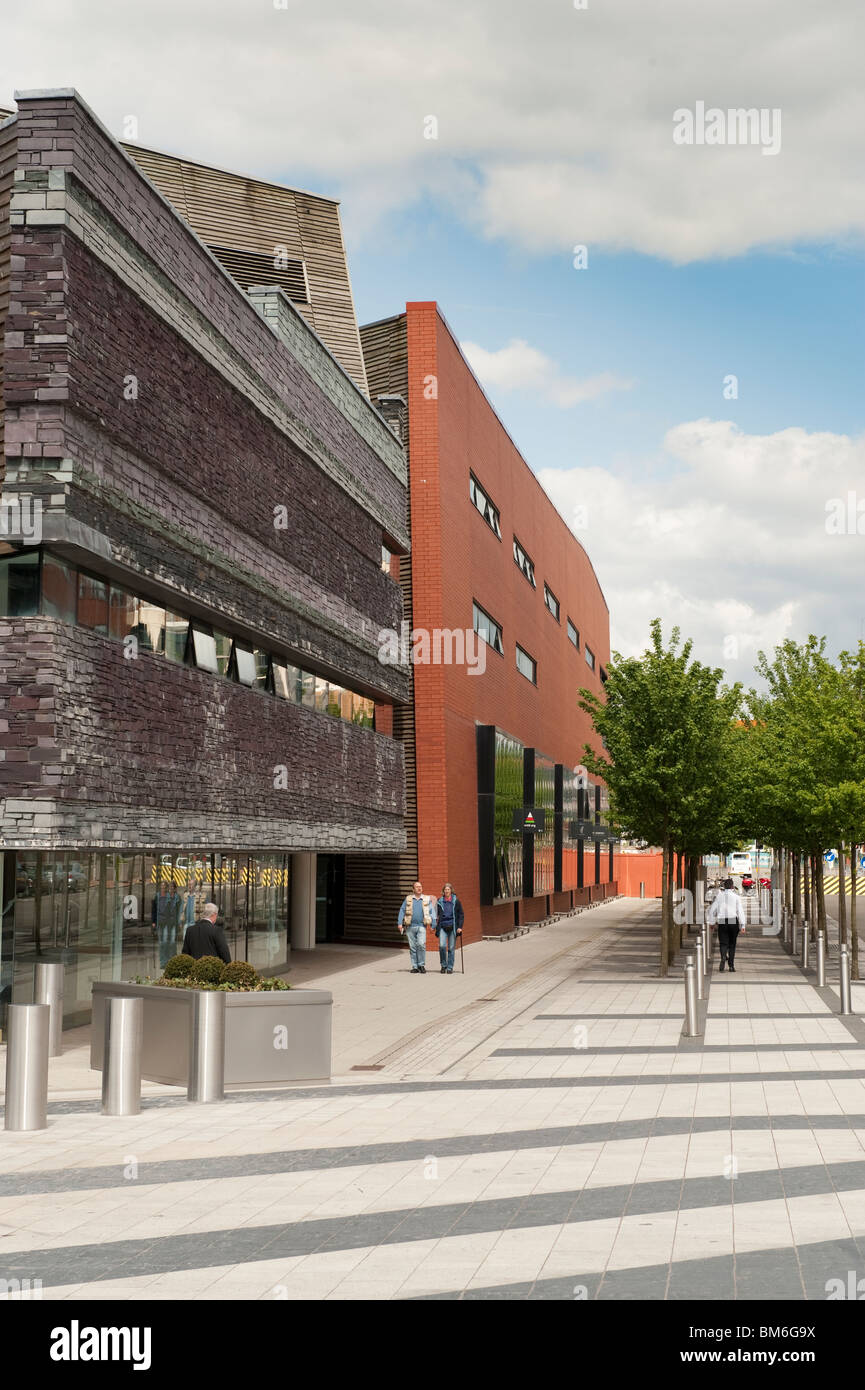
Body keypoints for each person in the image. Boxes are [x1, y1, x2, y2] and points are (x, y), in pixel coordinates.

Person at [707, 876, 746, 972]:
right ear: (732, 887)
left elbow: (712, 910)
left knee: (723, 943)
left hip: (722, 921)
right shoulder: (736, 897)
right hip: (733, 920)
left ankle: (723, 957)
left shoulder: (719, 896)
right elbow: (740, 911)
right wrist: (743, 925)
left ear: (724, 886)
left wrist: (711, 922)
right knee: (732, 944)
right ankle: (731, 966)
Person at [397, 881, 434, 974]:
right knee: (413, 947)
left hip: (422, 926)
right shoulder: (408, 899)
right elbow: (402, 910)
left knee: (421, 945)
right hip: (410, 926)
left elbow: (432, 911)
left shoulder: (426, 899)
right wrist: (399, 923)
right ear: (413, 889)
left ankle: (421, 965)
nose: (419, 888)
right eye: (417, 887)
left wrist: (433, 925)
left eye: (420, 886)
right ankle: (415, 966)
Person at [152, 882, 183, 969]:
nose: (171, 889)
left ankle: (172, 961)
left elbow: (178, 910)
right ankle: (164, 962)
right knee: (164, 942)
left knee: (172, 942)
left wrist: (179, 922)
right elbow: (157, 909)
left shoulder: (177, 897)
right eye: (170, 887)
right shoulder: (163, 897)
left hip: (172, 923)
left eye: (172, 887)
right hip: (165, 922)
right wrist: (154, 921)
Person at [435, 883, 464, 973]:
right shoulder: (440, 901)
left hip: (453, 927)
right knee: (442, 946)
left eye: (448, 889)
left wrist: (459, 927)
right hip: (443, 926)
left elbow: (461, 915)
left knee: (451, 948)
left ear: (451, 890)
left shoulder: (456, 901)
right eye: (445, 890)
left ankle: (450, 967)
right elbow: (436, 914)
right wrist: (433, 925)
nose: (447, 891)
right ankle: (443, 965)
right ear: (443, 891)